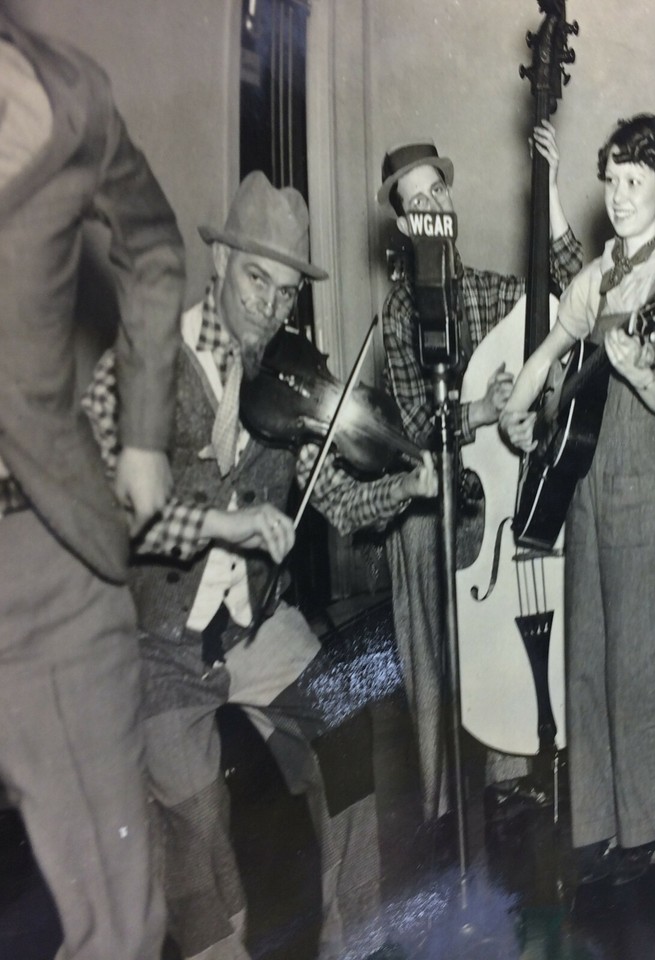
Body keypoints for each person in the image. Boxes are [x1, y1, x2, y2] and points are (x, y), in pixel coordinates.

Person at [83, 171, 438, 960]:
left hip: (250, 622)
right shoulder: (140, 365)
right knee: (198, 827)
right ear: (220, 266)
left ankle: (356, 940)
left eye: (285, 293)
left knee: (347, 728)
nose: (270, 308)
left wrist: (408, 487)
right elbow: (113, 512)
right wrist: (226, 521)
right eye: (256, 282)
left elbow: (340, 502)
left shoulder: (285, 380)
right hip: (154, 643)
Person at [0, 13, 184, 960]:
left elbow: (153, 248)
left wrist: (145, 436)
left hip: (41, 554)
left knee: (115, 924)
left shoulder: (69, 94)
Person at [500, 114, 655, 884]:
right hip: (585, 487)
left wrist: (630, 365)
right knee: (585, 658)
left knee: (646, 663)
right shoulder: (597, 273)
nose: (620, 197)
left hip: (649, 490)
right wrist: (520, 410)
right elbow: (551, 351)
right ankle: (594, 822)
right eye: (613, 180)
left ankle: (648, 828)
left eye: (635, 183)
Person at [377, 123, 582, 826]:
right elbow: (410, 425)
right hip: (424, 507)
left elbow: (565, 297)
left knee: (494, 643)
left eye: (439, 191)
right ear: (404, 225)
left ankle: (504, 779)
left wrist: (547, 189)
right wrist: (479, 411)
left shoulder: (489, 291)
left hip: (482, 510)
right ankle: (438, 808)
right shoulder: (399, 312)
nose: (432, 207)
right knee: (433, 666)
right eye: (416, 201)